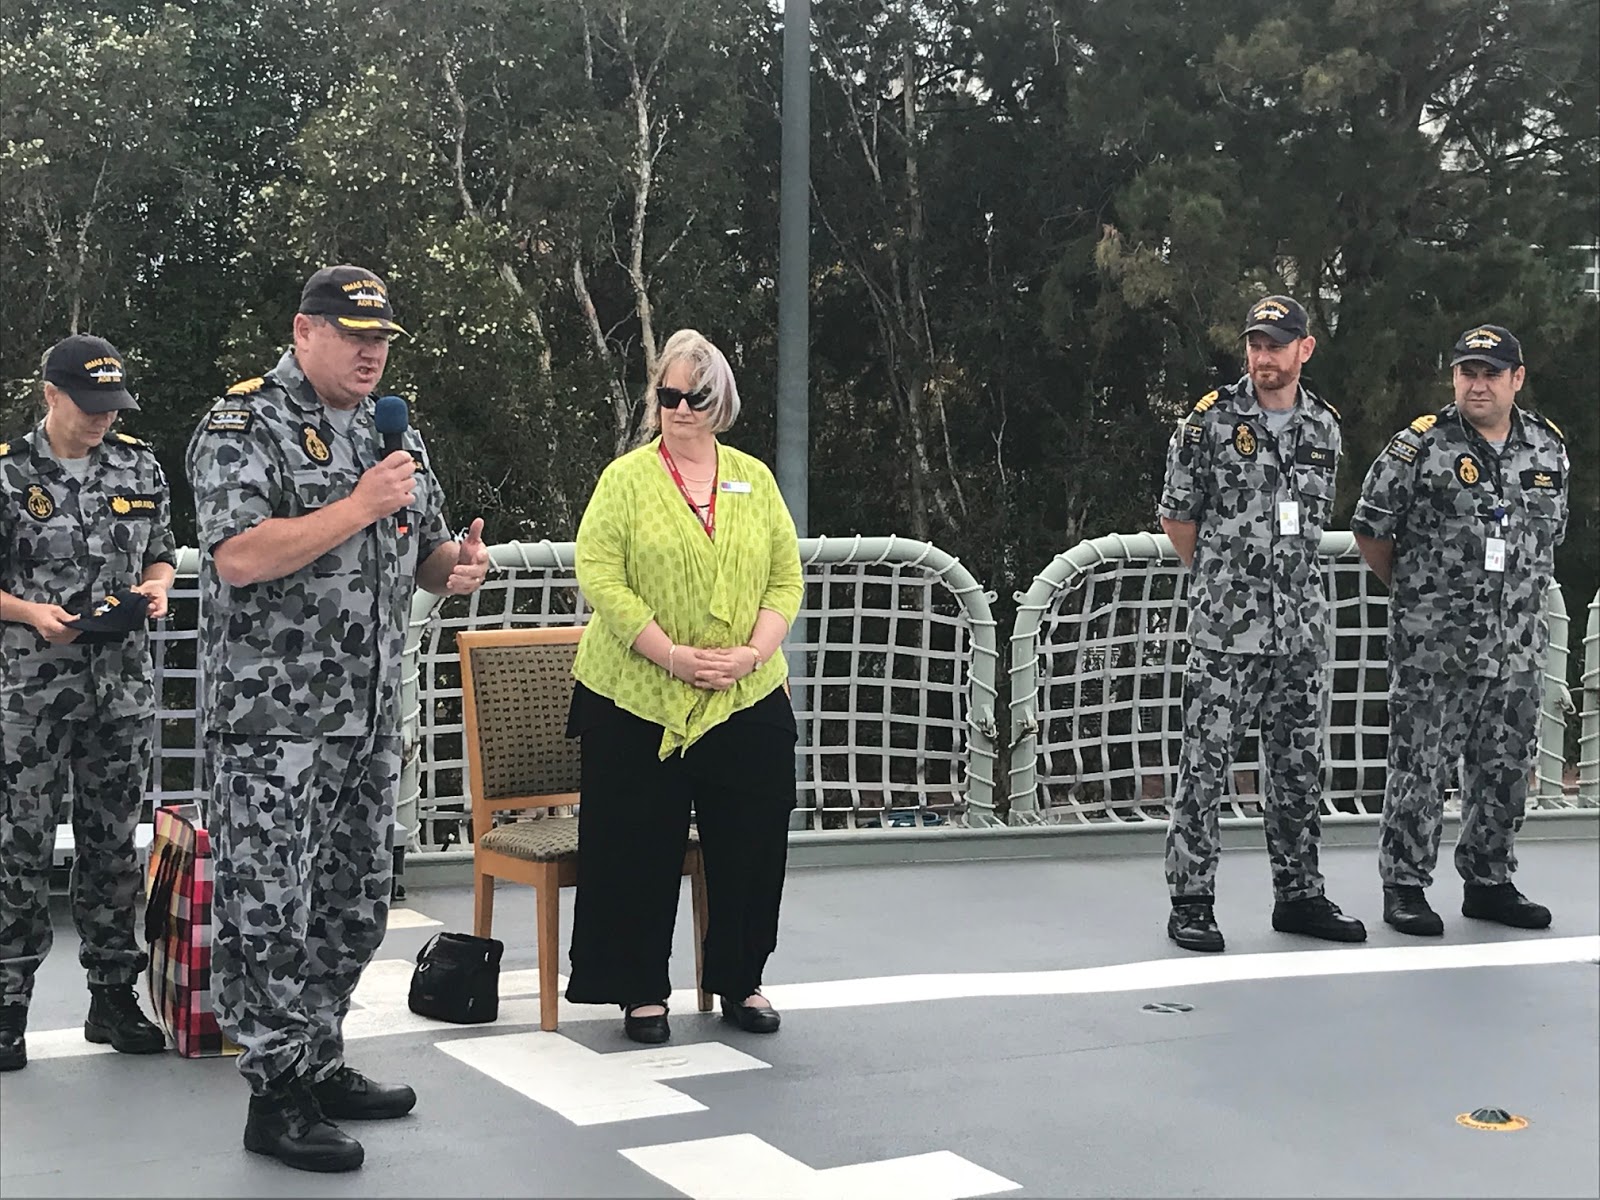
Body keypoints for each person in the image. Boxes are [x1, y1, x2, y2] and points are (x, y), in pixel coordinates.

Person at [185, 265, 491, 1172]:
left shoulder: (393, 432)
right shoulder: (244, 423)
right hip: (271, 721)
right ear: (304, 331)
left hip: (365, 717)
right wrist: (356, 503)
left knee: (353, 904)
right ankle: (274, 1097)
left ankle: (319, 1061)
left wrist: (456, 566)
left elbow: (425, 556)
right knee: (268, 908)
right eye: (354, 334)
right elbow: (237, 556)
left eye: (383, 338)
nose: (372, 351)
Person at [565, 328, 803, 1044]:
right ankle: (639, 990)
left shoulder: (755, 480)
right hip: (637, 689)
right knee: (634, 841)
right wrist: (669, 654)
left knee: (754, 832)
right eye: (666, 395)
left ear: (718, 400)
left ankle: (741, 977)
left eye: (692, 396)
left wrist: (752, 656)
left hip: (742, 688)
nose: (677, 408)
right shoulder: (626, 479)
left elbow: (785, 579)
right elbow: (598, 572)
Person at [1157, 296, 1367, 953]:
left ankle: (1299, 896)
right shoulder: (1210, 422)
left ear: (1304, 349)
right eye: (1255, 343)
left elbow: (1310, 527)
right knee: (1206, 768)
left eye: (1277, 345)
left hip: (1300, 630)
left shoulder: (1324, 428)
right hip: (1227, 631)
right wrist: (1229, 586)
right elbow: (1177, 521)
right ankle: (1191, 901)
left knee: (1300, 769)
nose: (1263, 357)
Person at [1352, 324, 1568, 936]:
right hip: (1435, 643)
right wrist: (1418, 595)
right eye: (1467, 372)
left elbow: (1549, 539)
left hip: (1518, 644)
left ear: (1516, 379)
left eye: (1490, 373)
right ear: (1454, 377)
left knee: (1504, 764)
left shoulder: (1547, 449)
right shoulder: (1421, 446)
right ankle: (1406, 885)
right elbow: (1371, 529)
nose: (1477, 384)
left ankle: (1490, 878)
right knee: (1420, 766)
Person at [0, 334, 175, 1072]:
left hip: (120, 690)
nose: (103, 419)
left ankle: (113, 998)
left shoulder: (139, 464)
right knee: (18, 850)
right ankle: (7, 1007)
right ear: (50, 395)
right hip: (30, 693)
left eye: (113, 407)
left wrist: (160, 585)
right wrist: (32, 614)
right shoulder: (9, 476)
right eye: (89, 406)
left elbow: (163, 548)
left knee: (111, 850)